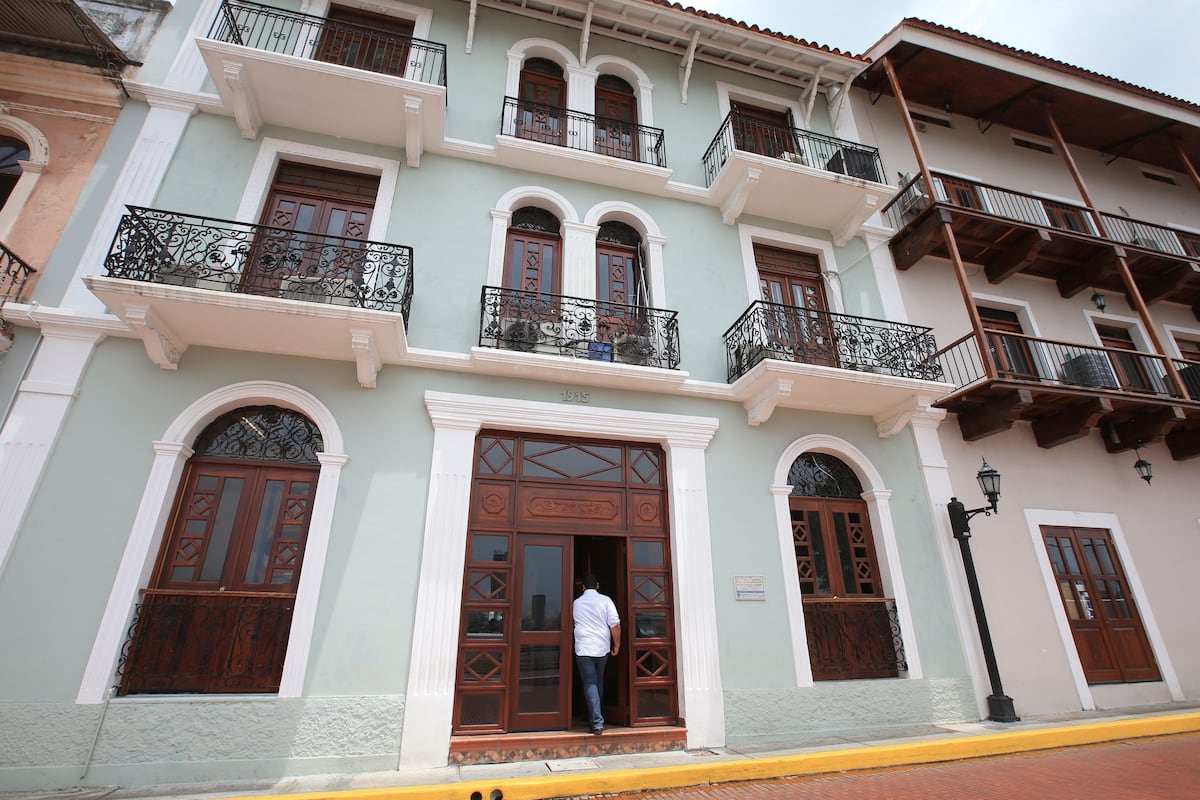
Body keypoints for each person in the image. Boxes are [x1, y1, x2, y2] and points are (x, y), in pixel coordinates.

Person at [572, 573, 620, 734]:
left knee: (590, 682)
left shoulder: (577, 603)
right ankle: (596, 718)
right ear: (598, 586)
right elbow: (615, 624)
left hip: (584, 648)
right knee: (598, 680)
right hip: (601, 648)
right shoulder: (606, 601)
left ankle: (596, 720)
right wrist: (617, 645)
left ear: (583, 587)